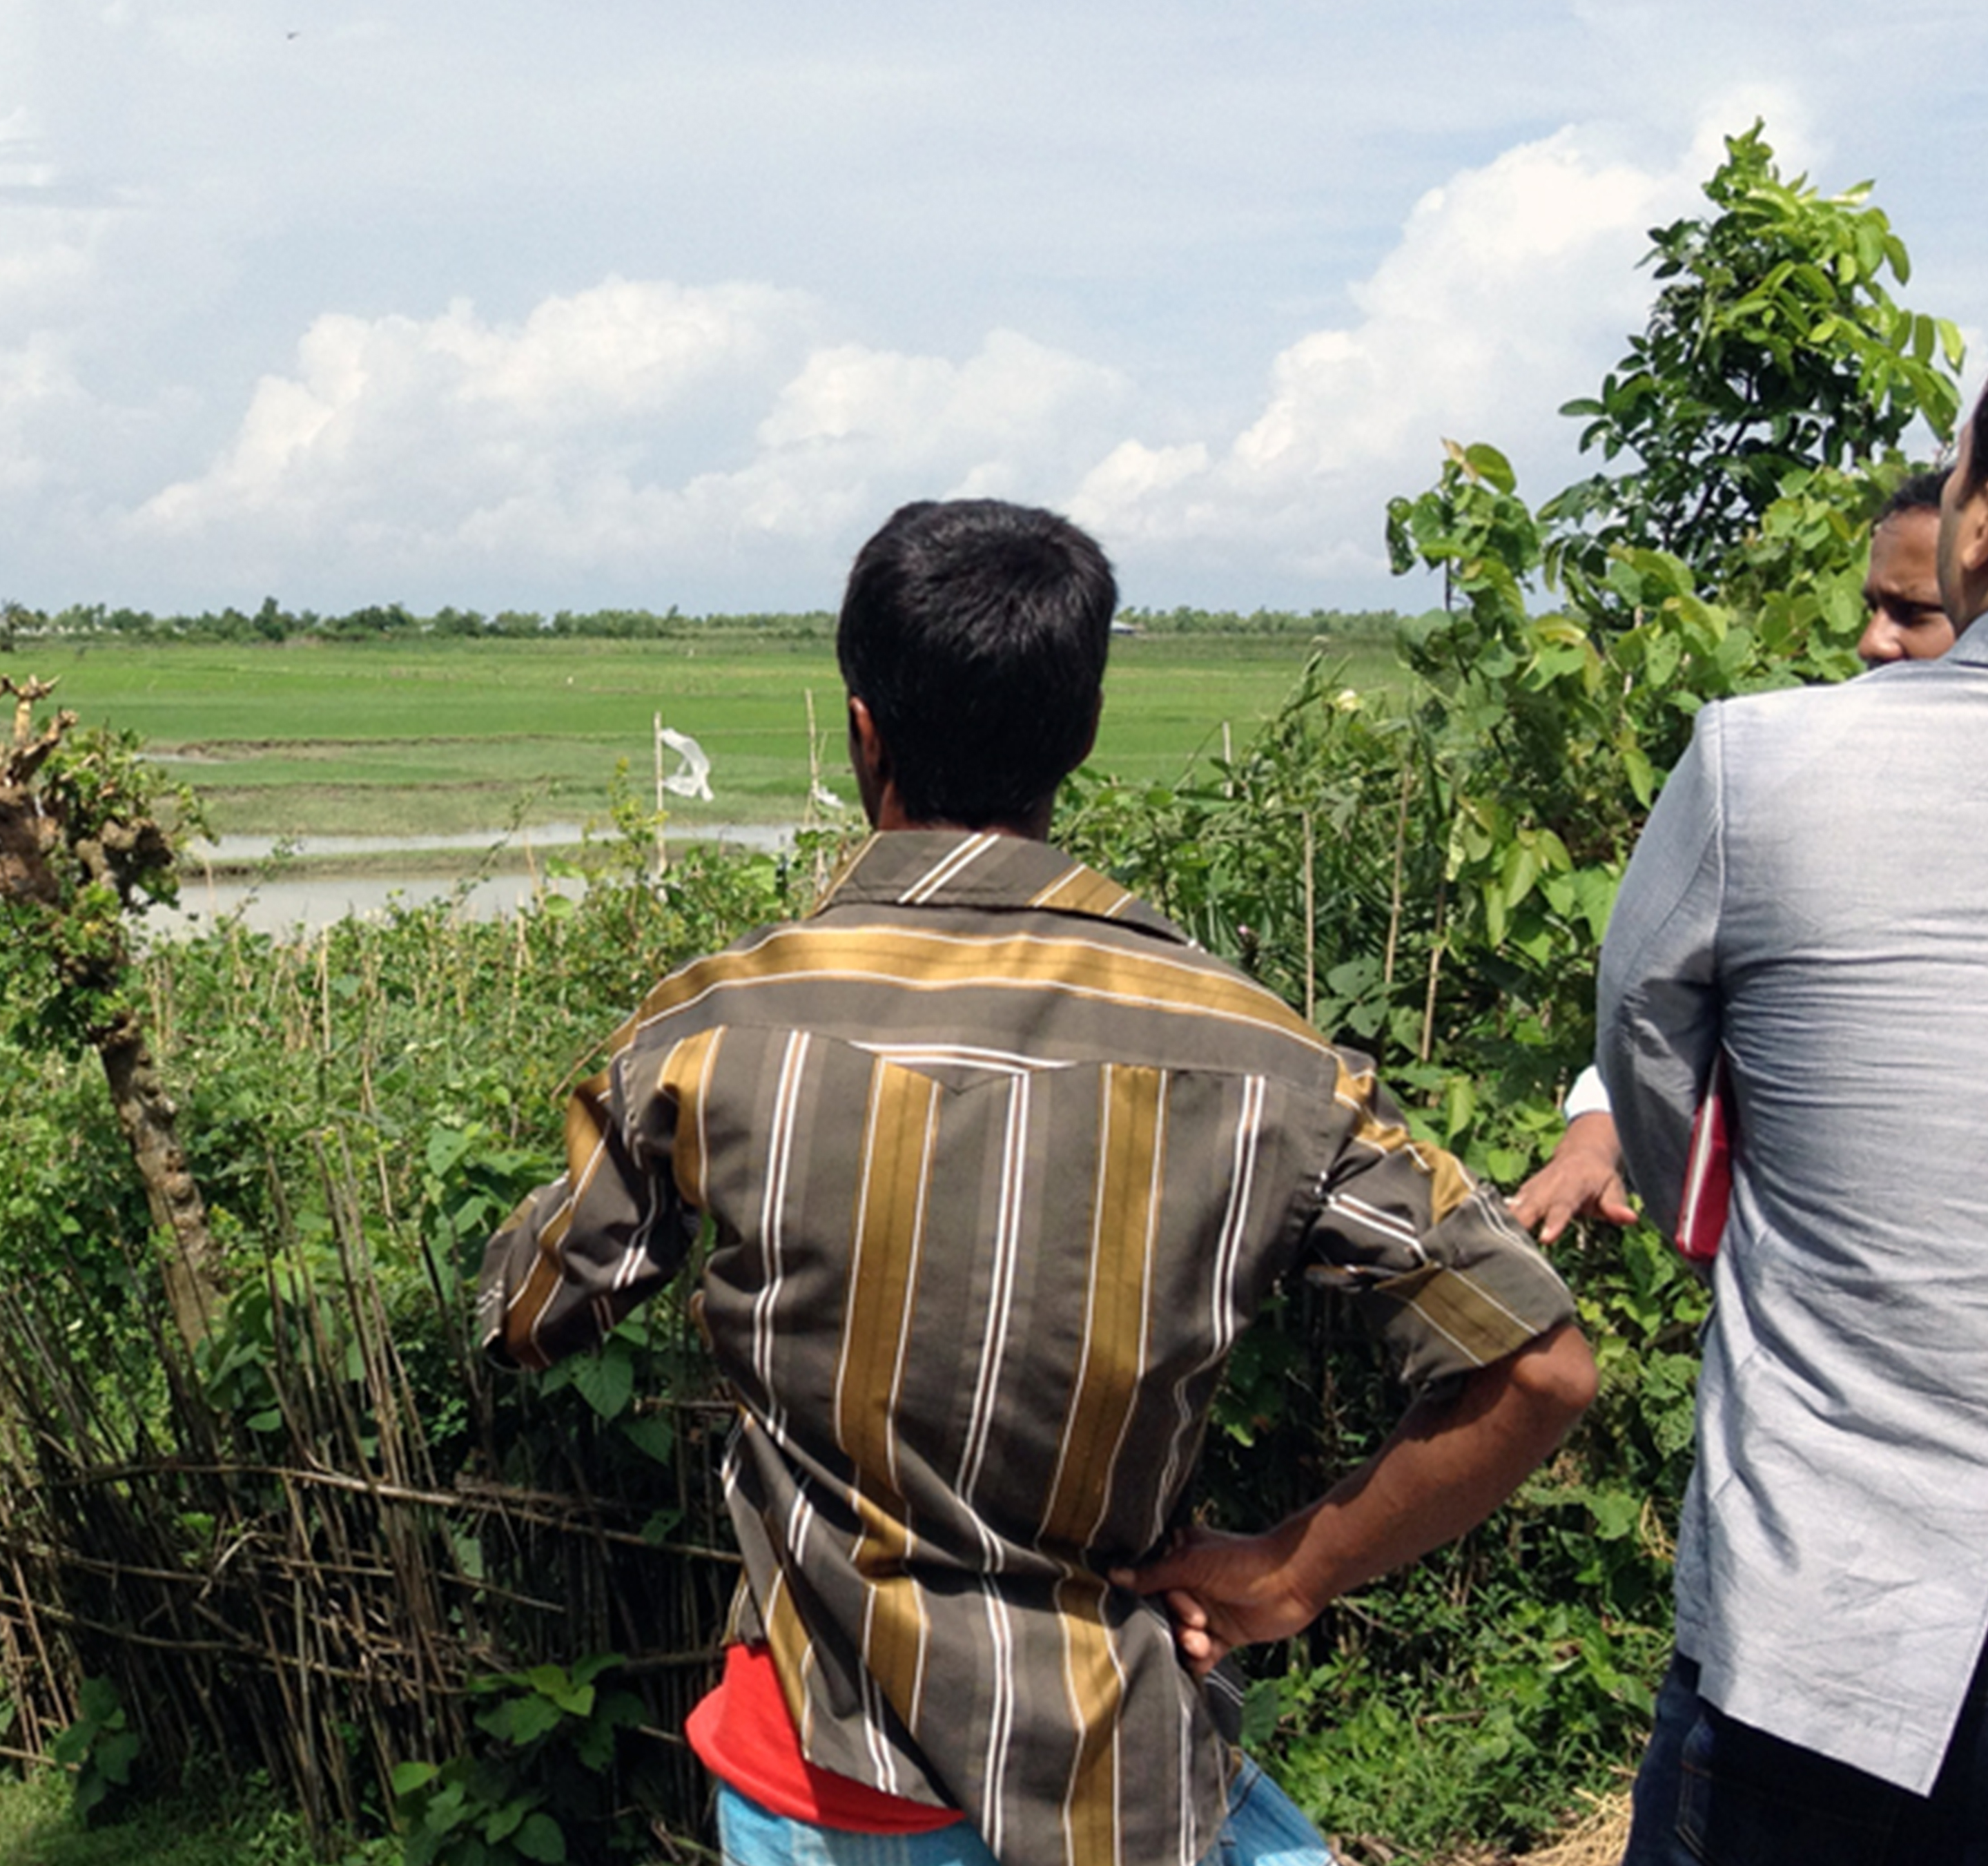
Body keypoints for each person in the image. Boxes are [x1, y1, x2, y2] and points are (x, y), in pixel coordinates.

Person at [478, 498, 1595, 1866]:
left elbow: (532, 1315)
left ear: (864, 731)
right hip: (1114, 1771)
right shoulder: (1266, 1062)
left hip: (822, 1773)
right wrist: (1294, 1570)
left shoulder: (717, 1029)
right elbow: (1538, 1368)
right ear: (1081, 729)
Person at [1596, 269, 1988, 1858]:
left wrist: (1760, 1219)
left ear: (1983, 522)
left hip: (1814, 1647)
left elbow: (1654, 1077)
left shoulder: (1767, 763)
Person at [1507, 462, 1956, 1245]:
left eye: (1913, 614)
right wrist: (1594, 1137)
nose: (1871, 640)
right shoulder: (1796, 785)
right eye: (1871, 607)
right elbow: (1670, 1016)